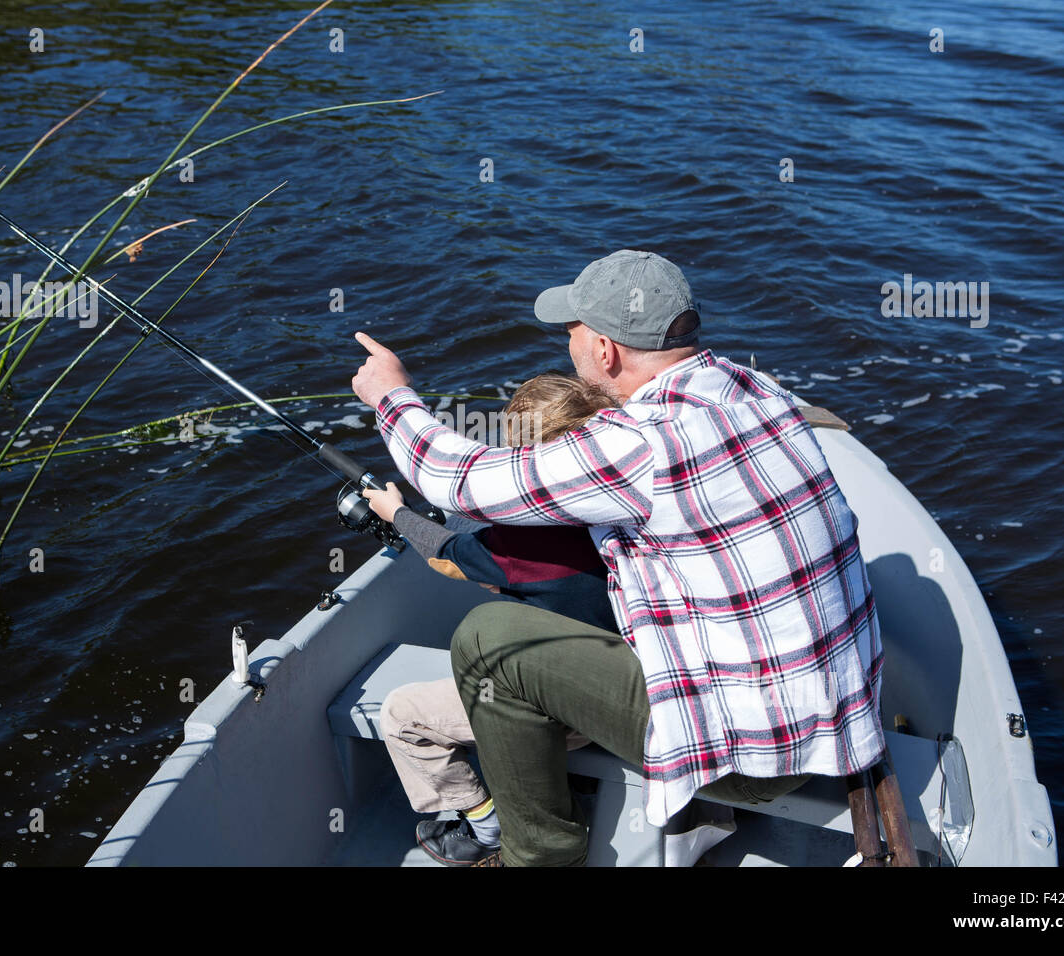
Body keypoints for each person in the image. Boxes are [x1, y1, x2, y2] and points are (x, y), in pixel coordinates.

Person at [350, 249, 886, 867]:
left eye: (574, 333)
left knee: (488, 637)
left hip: (753, 761)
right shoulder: (757, 389)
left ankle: (538, 854)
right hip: (842, 723)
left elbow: (453, 478)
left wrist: (391, 396)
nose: (569, 346)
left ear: (605, 350)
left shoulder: (640, 445)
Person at [362, 372, 617, 865]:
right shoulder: (624, 511)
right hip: (619, 695)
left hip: (563, 714)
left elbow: (445, 553)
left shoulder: (521, 545)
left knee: (402, 716)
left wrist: (395, 512)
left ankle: (484, 824)